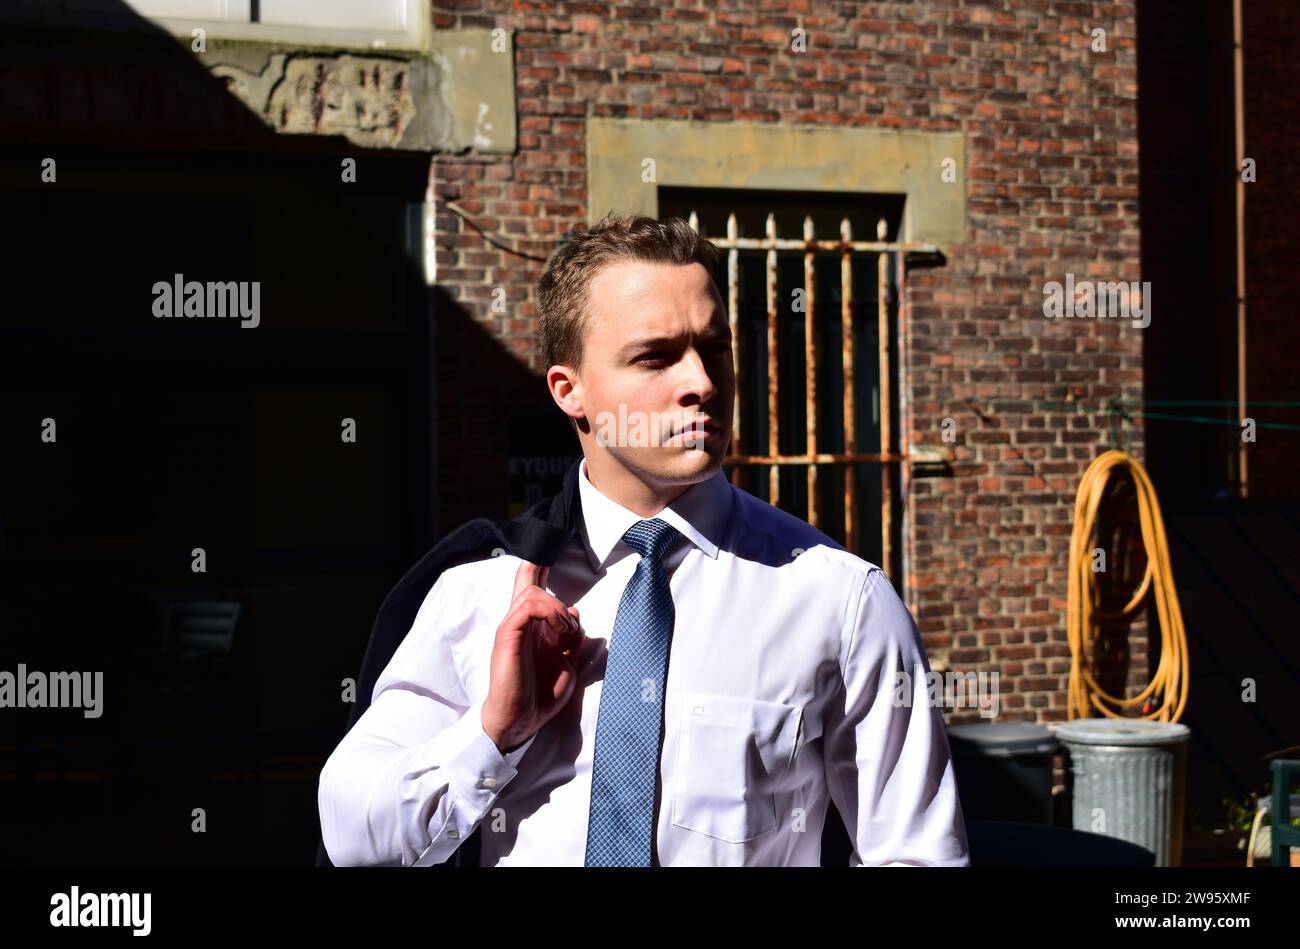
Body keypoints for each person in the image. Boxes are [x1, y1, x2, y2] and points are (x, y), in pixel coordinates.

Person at [317, 213, 970, 866]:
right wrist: (493, 734)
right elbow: (353, 833)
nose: (704, 384)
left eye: (714, 348)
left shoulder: (843, 602)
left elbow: (917, 854)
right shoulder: (481, 594)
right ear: (570, 393)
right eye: (655, 357)